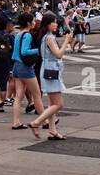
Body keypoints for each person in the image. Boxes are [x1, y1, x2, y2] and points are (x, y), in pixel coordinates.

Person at [28, 12, 71, 140]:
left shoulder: (45, 37)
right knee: (58, 104)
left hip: (47, 70)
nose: (56, 25)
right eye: (54, 22)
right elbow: (58, 54)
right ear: (47, 24)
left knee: (52, 103)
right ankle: (37, 122)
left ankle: (52, 130)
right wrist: (67, 42)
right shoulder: (49, 38)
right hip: (51, 71)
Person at [10, 13, 43, 130]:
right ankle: (43, 121)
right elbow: (24, 51)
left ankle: (16, 122)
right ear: (29, 23)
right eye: (33, 21)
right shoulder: (27, 35)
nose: (34, 23)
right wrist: (37, 50)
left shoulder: (18, 34)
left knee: (18, 96)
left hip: (16, 66)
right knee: (37, 94)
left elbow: (15, 53)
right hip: (25, 67)